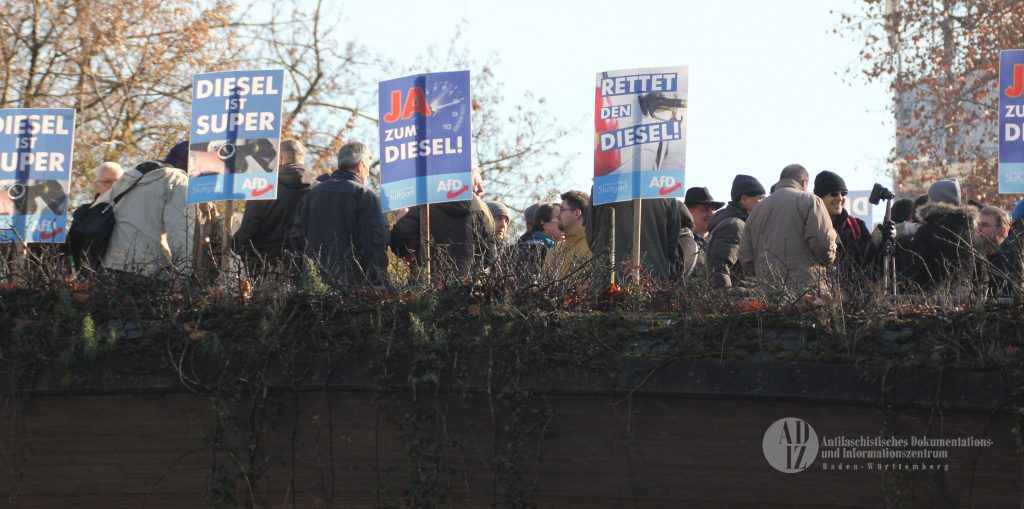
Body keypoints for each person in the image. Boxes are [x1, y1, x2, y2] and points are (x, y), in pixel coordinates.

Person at [289, 141, 389, 286]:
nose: (368, 172)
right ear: (361, 165)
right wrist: (379, 285)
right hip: (354, 291)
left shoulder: (311, 195)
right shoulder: (365, 196)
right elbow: (374, 246)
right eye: (367, 166)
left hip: (312, 289)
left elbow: (296, 241)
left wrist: (302, 280)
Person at [739, 164, 837, 296]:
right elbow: (824, 245)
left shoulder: (757, 209)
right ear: (804, 182)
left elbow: (746, 257)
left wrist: (764, 276)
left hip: (767, 293)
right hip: (806, 292)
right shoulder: (810, 200)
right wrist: (829, 259)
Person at [97, 143, 192, 278]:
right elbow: (180, 232)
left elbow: (98, 209)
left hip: (107, 265)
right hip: (144, 269)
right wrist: (184, 273)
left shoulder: (130, 176)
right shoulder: (178, 180)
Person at [390, 168, 495, 278]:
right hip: (467, 286)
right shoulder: (484, 211)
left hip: (428, 284)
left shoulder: (425, 205)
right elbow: (489, 256)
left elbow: (399, 240)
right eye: (476, 184)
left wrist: (402, 221)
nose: (481, 189)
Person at [234, 139, 317, 274]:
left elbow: (247, 232)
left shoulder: (263, 187)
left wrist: (254, 266)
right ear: (302, 159)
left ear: (280, 159)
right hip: (305, 269)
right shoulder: (318, 189)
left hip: (266, 267)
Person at [585, 196, 685, 282]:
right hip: (652, 277)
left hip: (607, 276)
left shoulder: (603, 183)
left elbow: (591, 237)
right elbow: (672, 241)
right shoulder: (661, 183)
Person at [901, 178, 978, 289]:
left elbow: (912, 274)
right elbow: (982, 278)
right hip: (967, 302)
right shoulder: (974, 235)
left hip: (931, 302)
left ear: (933, 201)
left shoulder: (926, 233)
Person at [706, 174, 765, 288]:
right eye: (760, 198)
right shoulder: (735, 226)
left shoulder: (739, 223)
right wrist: (727, 297)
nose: (763, 203)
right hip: (735, 301)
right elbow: (719, 267)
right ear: (744, 199)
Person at [812, 171, 870, 271]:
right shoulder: (809, 226)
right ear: (819, 198)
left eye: (843, 193)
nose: (840, 198)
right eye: (834, 194)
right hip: (817, 285)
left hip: (853, 286)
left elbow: (873, 267)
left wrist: (883, 243)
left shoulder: (857, 227)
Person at [544, 190, 593, 281]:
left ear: (576, 213)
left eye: (562, 210)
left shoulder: (593, 246)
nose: (557, 215)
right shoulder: (554, 250)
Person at [977, 205, 1021, 296]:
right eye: (978, 224)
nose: (978, 229)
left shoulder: (1012, 260)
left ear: (1001, 231)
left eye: (984, 225)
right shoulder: (975, 255)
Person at [682, 187, 724, 276]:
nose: (711, 214)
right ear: (688, 211)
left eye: (713, 209)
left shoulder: (721, 240)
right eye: (705, 209)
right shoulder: (681, 241)